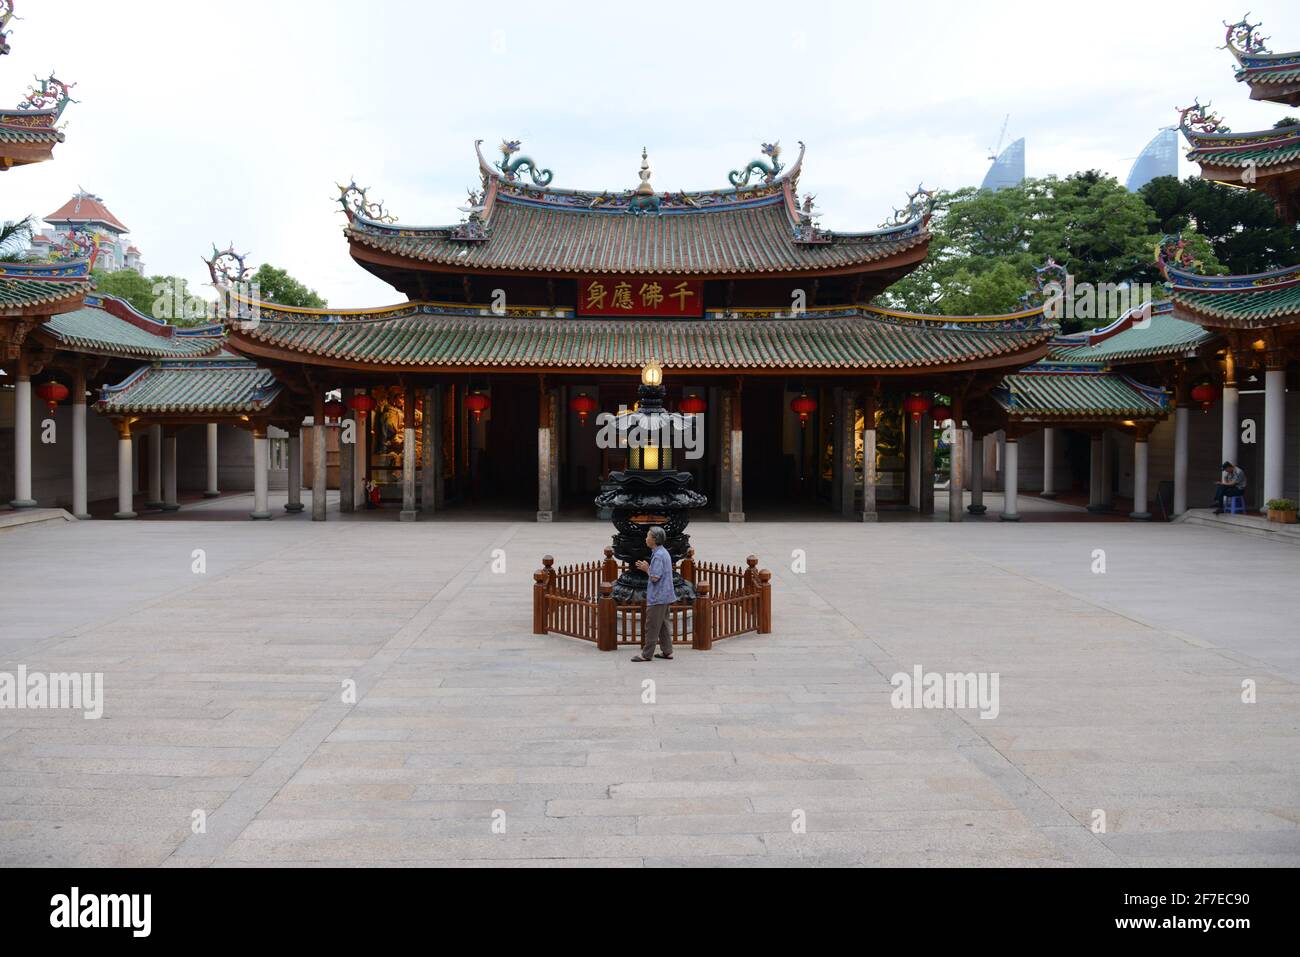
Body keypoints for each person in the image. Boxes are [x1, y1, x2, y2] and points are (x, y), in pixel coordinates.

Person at [631, 526, 674, 662]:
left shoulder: (659, 555)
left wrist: (646, 568)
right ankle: (667, 651)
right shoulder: (662, 552)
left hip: (658, 597)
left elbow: (655, 577)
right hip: (666, 595)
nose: (646, 538)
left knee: (652, 626)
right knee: (662, 625)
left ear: (654, 539)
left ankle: (646, 654)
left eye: (648, 536)